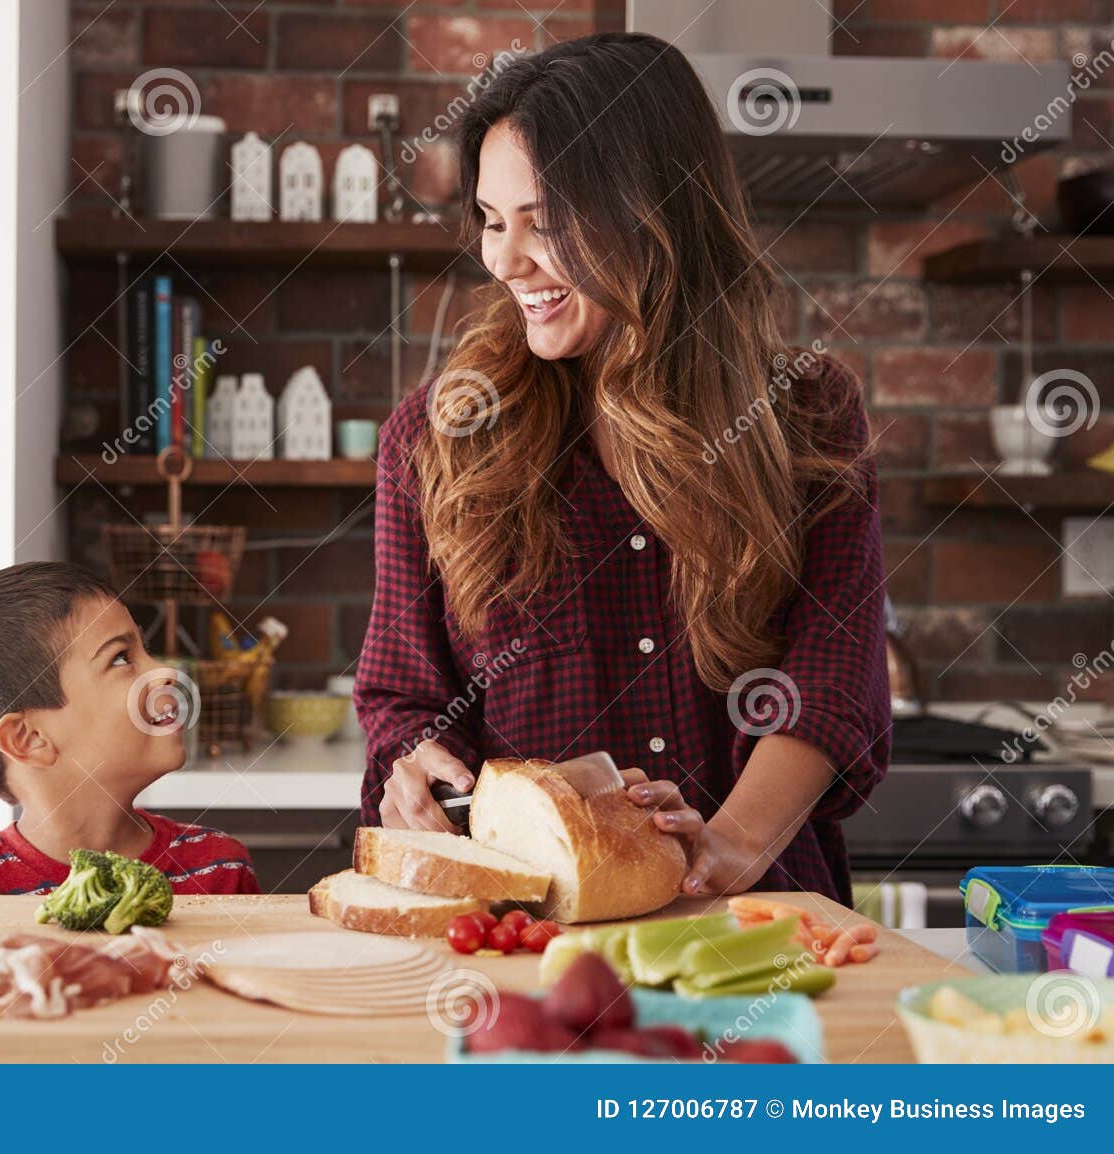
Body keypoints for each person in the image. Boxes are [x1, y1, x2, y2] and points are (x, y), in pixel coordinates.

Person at [353, 33, 889, 906]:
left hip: (754, 923)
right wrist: (412, 766)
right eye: (493, 221)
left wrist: (723, 847)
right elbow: (403, 696)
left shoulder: (805, 413)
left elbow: (829, 682)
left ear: (655, 208)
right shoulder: (434, 439)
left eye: (546, 221)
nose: (505, 260)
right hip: (523, 930)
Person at [0, 562, 258, 932]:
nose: (165, 671)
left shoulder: (221, 868)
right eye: (121, 658)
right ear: (29, 740)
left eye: (143, 648)